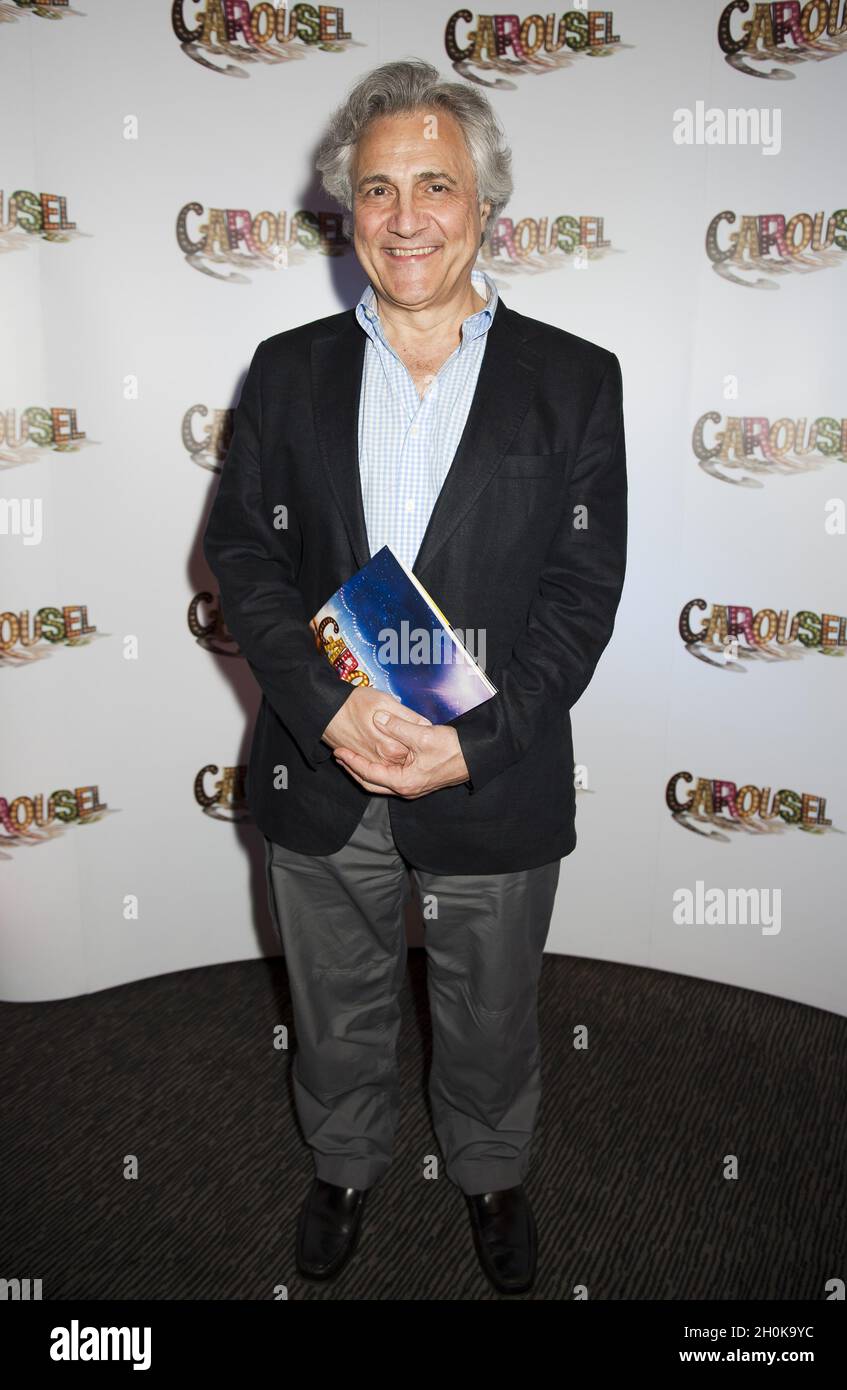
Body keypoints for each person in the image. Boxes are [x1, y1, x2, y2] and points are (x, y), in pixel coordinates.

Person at [203, 57, 627, 1296]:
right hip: (320, 759)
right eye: (377, 189)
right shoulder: (287, 370)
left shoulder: (574, 378)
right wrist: (331, 707)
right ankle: (343, 1162)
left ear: (483, 202)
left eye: (434, 184)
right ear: (348, 210)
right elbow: (245, 555)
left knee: (491, 1008)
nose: (404, 217)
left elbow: (578, 597)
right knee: (335, 1001)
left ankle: (492, 1176)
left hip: (487, 776)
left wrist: (473, 743)